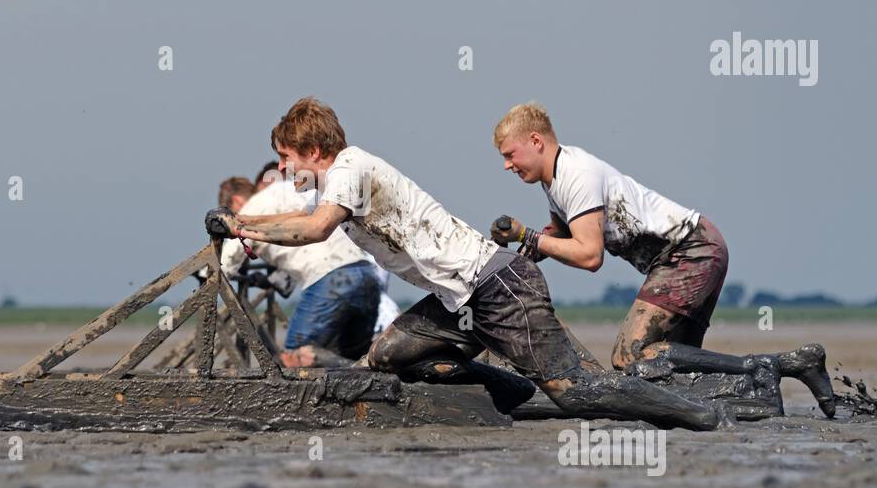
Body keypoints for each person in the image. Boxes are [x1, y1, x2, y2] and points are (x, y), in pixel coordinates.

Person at [207, 97, 740, 431]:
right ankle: (509, 390)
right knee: (391, 353)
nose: (281, 169)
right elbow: (295, 223)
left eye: (285, 158)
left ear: (314, 149)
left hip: (497, 284)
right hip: (457, 298)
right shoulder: (330, 182)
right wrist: (245, 228)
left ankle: (693, 413)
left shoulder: (349, 166)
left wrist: (242, 227)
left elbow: (315, 229)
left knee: (576, 392)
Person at [490, 101, 836, 417]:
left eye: (510, 155)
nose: (507, 165)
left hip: (689, 251)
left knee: (629, 356)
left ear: (536, 141)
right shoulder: (555, 177)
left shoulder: (576, 175)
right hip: (695, 250)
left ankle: (760, 368)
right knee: (670, 375)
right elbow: (565, 233)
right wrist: (530, 247)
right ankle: (794, 364)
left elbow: (590, 255)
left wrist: (527, 236)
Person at [215, 169, 380, 367]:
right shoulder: (290, 191)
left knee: (294, 359)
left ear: (236, 202)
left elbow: (228, 261)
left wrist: (209, 277)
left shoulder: (253, 207)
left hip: (329, 280)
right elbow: (287, 281)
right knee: (352, 355)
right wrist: (266, 280)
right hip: (366, 274)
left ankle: (357, 371)